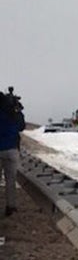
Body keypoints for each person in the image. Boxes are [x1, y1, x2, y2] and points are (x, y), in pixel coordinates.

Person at [1, 89, 26, 217]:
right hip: (11, 149)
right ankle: (10, 207)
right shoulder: (13, 111)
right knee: (10, 181)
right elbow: (21, 126)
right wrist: (18, 110)